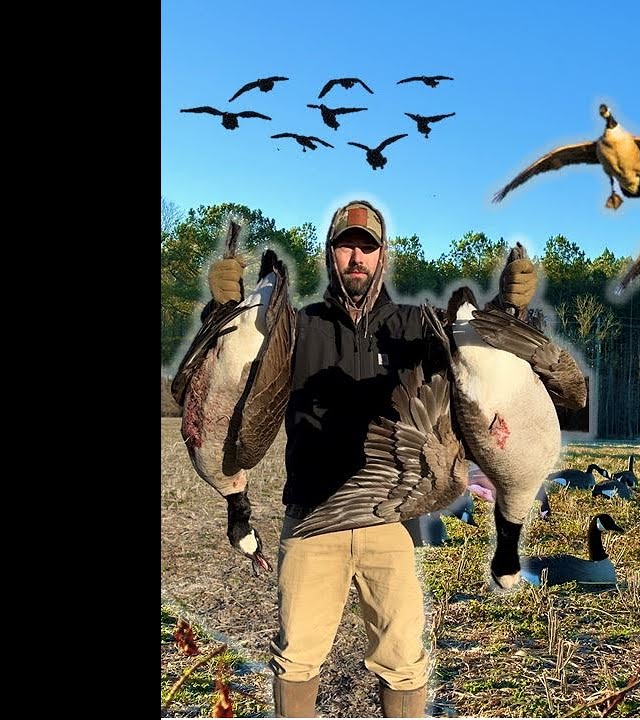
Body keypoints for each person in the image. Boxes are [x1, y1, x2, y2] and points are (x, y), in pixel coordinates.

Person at [204, 199, 537, 717]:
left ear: (383, 256)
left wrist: (508, 311)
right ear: (330, 254)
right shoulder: (298, 327)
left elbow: (478, 368)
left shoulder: (416, 326)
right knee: (296, 660)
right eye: (346, 246)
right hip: (313, 517)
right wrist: (223, 314)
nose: (356, 257)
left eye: (367, 247)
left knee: (403, 659)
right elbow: (230, 378)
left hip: (393, 521)